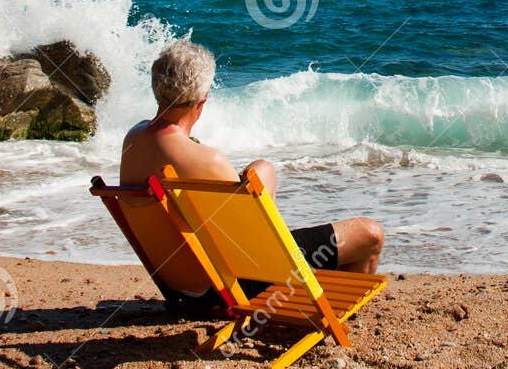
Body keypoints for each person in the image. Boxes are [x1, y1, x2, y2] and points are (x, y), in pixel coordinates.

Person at [121, 40, 383, 307]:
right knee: (369, 234)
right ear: (202, 100)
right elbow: (252, 249)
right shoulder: (206, 159)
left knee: (263, 169)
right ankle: (324, 311)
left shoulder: (133, 139)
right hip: (225, 288)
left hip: (181, 287)